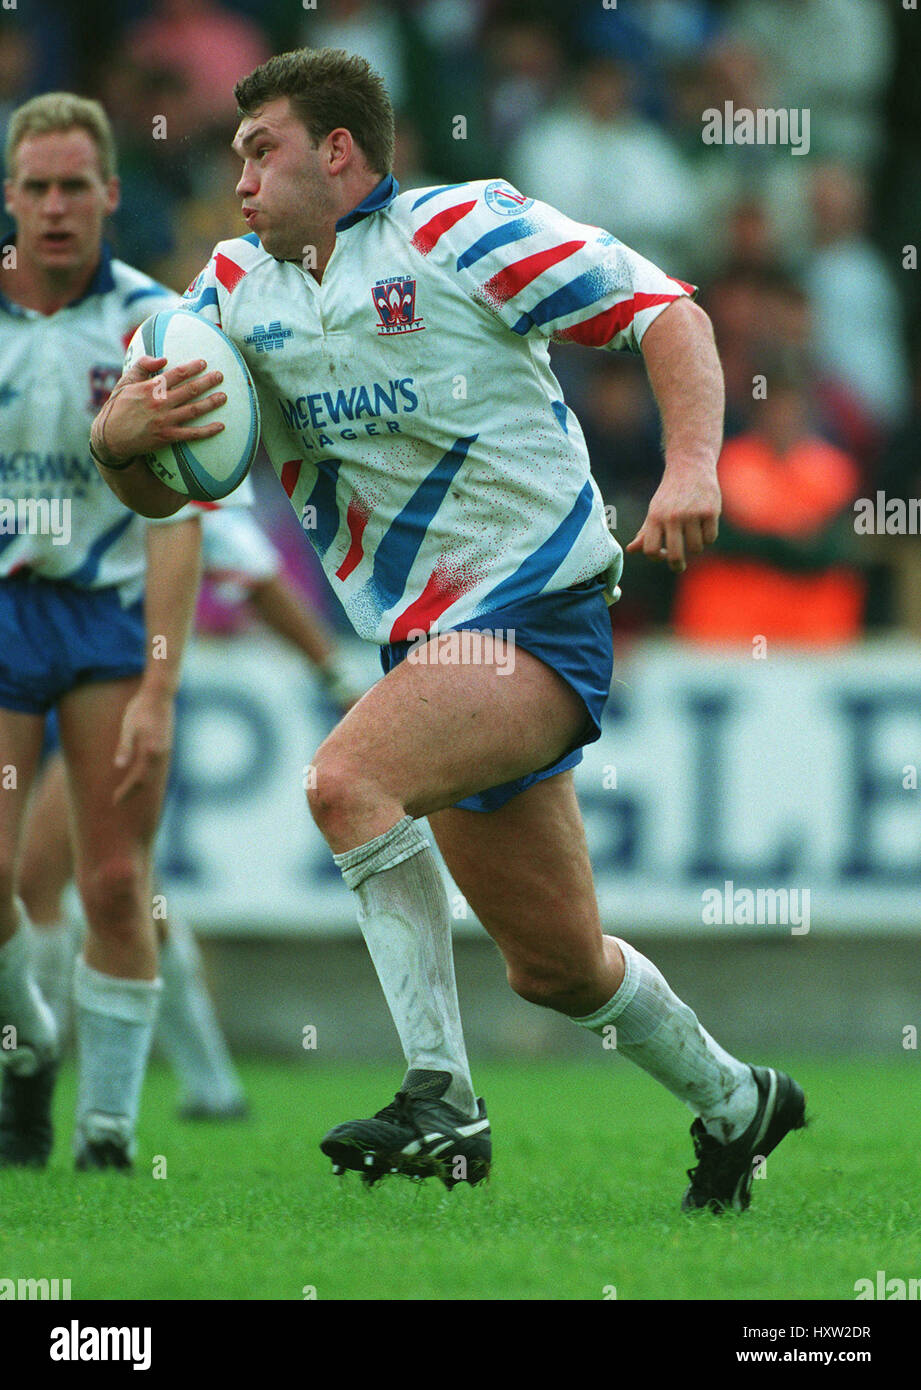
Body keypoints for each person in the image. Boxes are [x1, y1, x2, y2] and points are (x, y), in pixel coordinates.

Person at [90, 48, 807, 1213]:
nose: (241, 178)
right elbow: (167, 489)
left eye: (261, 150)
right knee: (559, 967)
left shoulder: (466, 231)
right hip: (422, 650)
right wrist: (122, 440)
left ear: (338, 153)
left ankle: (444, 1098)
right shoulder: (224, 294)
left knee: (345, 781)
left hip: (537, 610)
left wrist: (688, 468)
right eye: (233, 158)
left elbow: (667, 312)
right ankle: (740, 1103)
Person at [0, 92, 203, 1171]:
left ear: (113, 194)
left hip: (107, 616)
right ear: (9, 197)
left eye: (75, 185)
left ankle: (109, 1137)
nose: (56, 206)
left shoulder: (157, 329)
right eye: (35, 186)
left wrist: (162, 689)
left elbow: (178, 521)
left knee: (118, 882)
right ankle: (30, 1042)